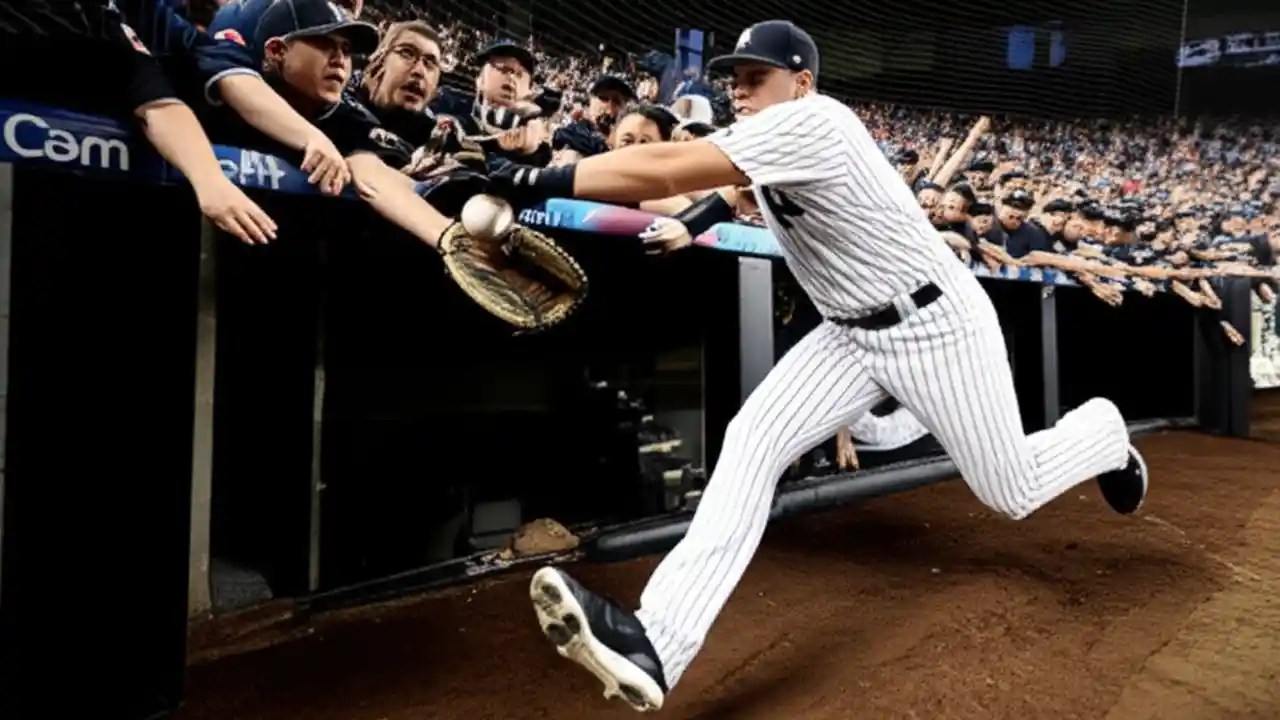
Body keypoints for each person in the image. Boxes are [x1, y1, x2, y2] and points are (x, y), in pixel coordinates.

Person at [487, 19, 1148, 713]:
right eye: (734, 80)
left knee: (1010, 491)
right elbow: (728, 191)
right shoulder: (775, 142)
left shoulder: (819, 123)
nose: (739, 91)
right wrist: (697, 219)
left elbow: (671, 167)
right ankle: (658, 641)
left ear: (801, 83)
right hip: (848, 335)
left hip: (937, 327)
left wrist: (531, 177)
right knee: (752, 442)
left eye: (755, 78)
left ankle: (1101, 432)